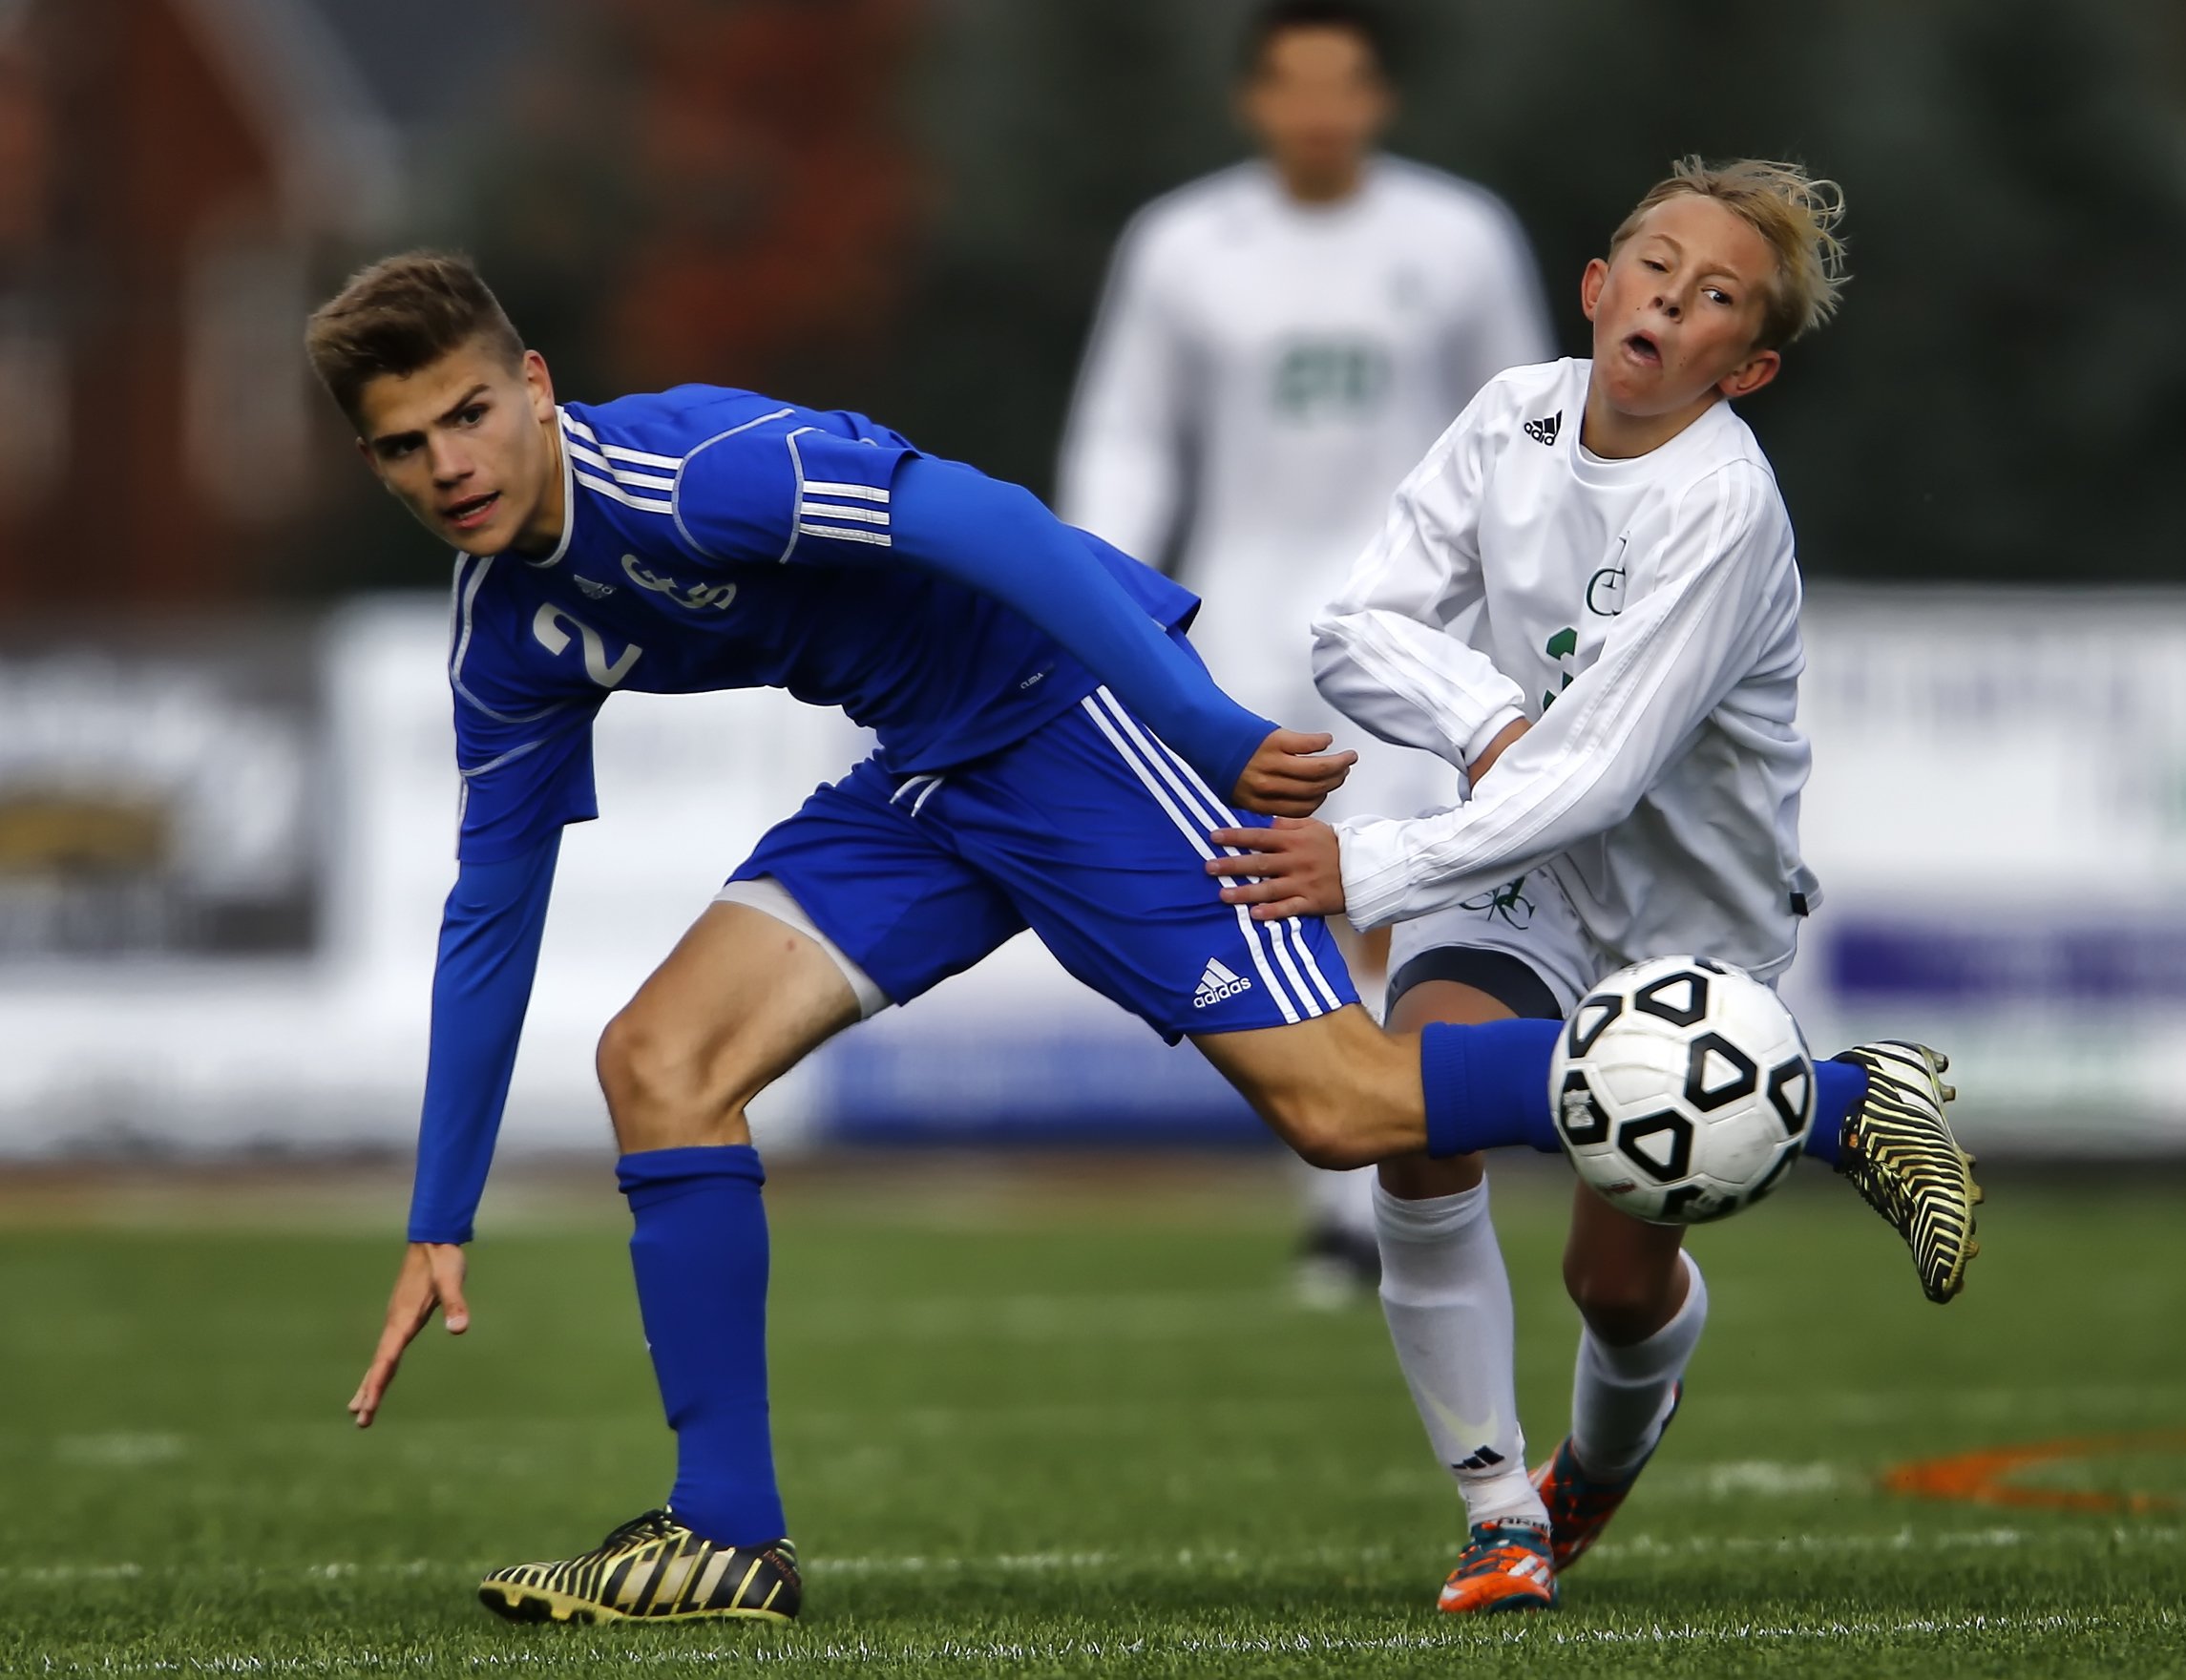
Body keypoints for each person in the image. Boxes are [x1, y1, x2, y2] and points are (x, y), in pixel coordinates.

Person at [308, 251, 1590, 1627]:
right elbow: (489, 910)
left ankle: (1815, 1096)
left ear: (536, 388)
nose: (449, 463)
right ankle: (727, 1534)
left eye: (468, 415)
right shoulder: (509, 630)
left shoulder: (694, 471)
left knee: (1346, 1111)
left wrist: (1204, 724)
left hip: (1068, 722)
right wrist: (439, 1218)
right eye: (403, 445)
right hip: (924, 773)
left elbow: (999, 526)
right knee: (661, 1059)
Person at [1207, 158, 1983, 1612]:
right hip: (1514, 880)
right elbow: (1355, 626)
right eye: (1655, 265)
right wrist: (1484, 724)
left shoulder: (1723, 510)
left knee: (1613, 1288)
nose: (1672, 299)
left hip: (1686, 916)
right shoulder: (1512, 415)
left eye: (1717, 299)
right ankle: (1499, 1513)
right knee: (1410, 1119)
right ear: (1597, 289)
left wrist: (1367, 861)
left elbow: (1606, 775)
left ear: (1743, 368)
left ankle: (1615, 1440)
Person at [1061, 0, 1552, 1298]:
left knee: (1392, 898)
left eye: (1346, 85)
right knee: (1281, 899)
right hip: (1238, 628)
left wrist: (1523, 605)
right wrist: (1094, 594)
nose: (1321, 111)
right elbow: (1128, 434)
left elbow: (1524, 430)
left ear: (1378, 98)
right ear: (1257, 100)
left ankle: (1387, 1199)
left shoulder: (1457, 237)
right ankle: (1340, 1191)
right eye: (1297, 85)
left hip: (1410, 631)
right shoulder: (1181, 245)